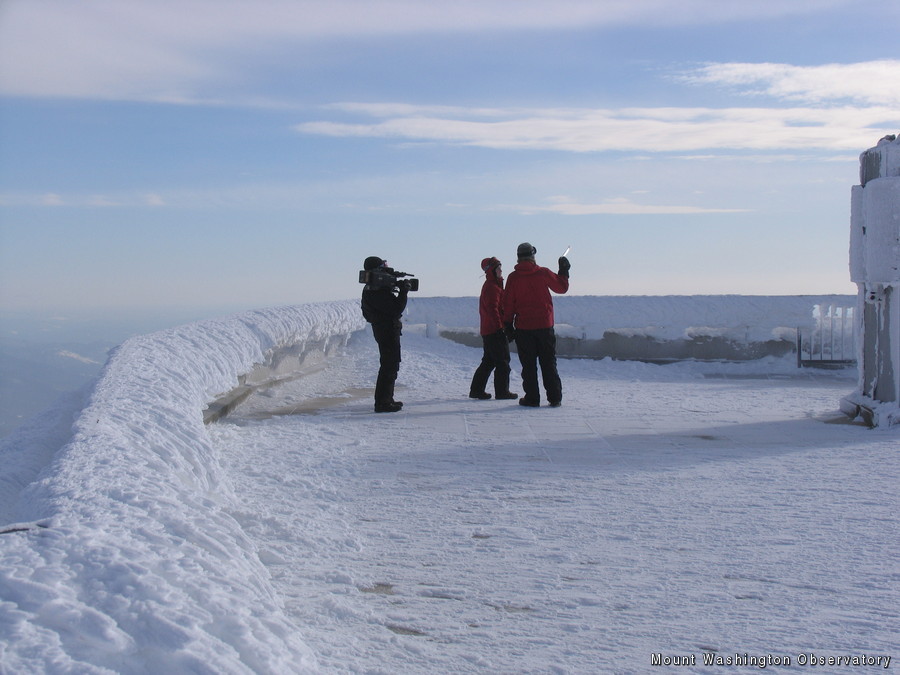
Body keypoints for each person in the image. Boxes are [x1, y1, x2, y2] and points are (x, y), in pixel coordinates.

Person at [503, 242, 570, 407]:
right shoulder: (543, 273)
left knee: (529, 365)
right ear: (532, 256)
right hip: (544, 326)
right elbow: (561, 288)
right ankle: (555, 397)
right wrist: (564, 270)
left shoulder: (513, 278)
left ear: (518, 258)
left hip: (524, 328)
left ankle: (532, 398)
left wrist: (508, 325)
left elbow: (508, 304)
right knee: (548, 363)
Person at [361, 256, 410, 413]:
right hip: (386, 330)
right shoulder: (376, 291)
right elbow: (396, 309)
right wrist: (403, 292)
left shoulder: (373, 288)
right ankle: (383, 403)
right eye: (384, 265)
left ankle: (386, 399)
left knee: (390, 365)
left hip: (385, 328)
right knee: (389, 365)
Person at [469, 257, 519, 401]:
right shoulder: (492, 287)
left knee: (489, 361)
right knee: (503, 361)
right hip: (494, 330)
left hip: (489, 330)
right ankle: (502, 392)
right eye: (498, 268)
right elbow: (493, 310)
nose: (501, 271)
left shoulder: (493, 286)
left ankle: (476, 390)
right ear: (492, 270)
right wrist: (500, 329)